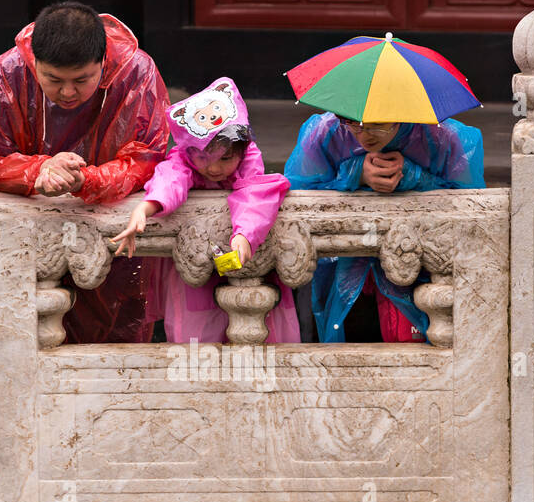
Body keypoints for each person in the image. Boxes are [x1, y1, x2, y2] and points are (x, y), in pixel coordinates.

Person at [0, 1, 170, 342]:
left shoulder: (136, 72)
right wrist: (37, 171)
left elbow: (148, 158)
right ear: (34, 61)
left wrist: (88, 180)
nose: (67, 92)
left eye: (82, 80)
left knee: (119, 346)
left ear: (103, 61)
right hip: (30, 241)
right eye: (53, 79)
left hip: (116, 241)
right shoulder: (8, 72)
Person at [110, 77, 300, 343]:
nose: (213, 169)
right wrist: (146, 208)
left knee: (256, 333)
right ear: (189, 151)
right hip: (194, 264)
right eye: (202, 157)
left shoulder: (248, 158)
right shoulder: (182, 160)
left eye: (225, 158)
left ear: (242, 149)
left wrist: (245, 234)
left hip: (243, 256)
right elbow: (170, 179)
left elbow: (255, 194)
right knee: (198, 339)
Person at [285, 113, 484, 343]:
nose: (364, 135)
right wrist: (355, 174)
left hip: (416, 270)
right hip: (340, 267)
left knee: (415, 355)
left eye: (377, 125)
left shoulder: (441, 136)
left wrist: (413, 176)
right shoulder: (325, 132)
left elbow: (472, 205)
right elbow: (296, 193)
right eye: (353, 123)